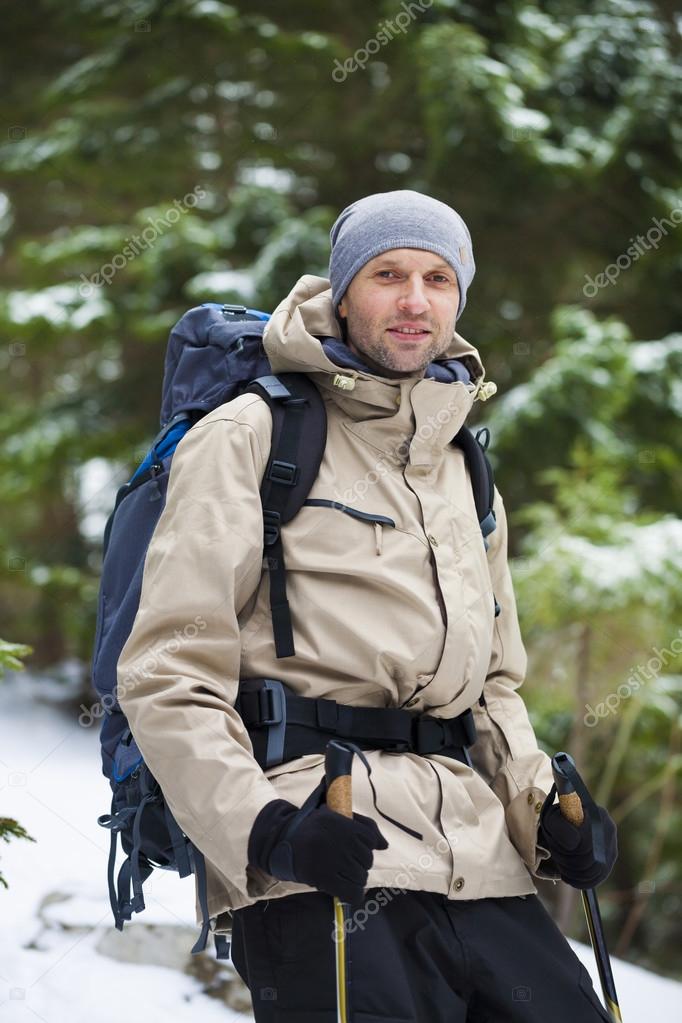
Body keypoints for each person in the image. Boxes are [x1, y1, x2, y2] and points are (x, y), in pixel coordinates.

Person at [117, 190, 617, 1021]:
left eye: (437, 278)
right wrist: (269, 828)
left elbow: (491, 685)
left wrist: (542, 814)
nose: (415, 300)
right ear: (343, 291)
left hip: (474, 849)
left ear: (459, 298)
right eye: (389, 274)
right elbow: (169, 671)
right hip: (321, 847)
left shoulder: (463, 464)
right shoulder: (250, 435)